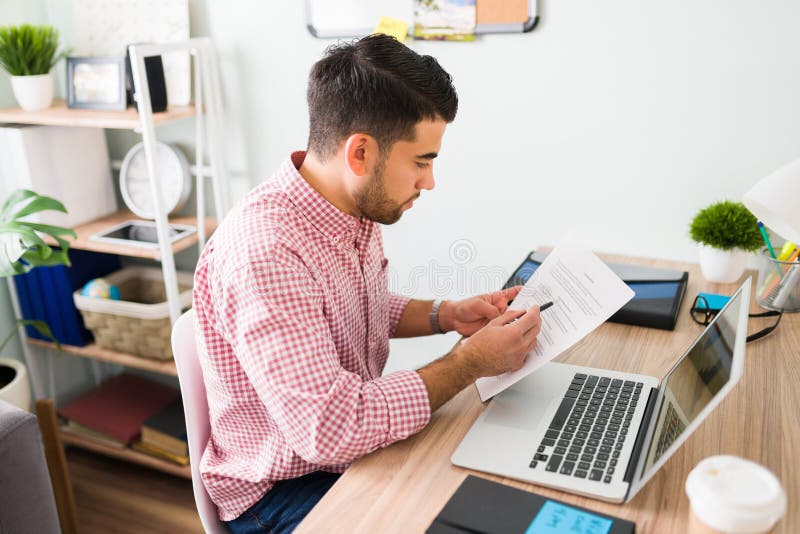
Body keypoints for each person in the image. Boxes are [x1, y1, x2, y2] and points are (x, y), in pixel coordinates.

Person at [193, 34, 544, 533]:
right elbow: (330, 429)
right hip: (284, 492)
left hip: (342, 454)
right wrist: (470, 362)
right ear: (360, 153)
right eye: (422, 161)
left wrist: (445, 314)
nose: (429, 182)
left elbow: (354, 307)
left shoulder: (350, 206)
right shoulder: (265, 252)